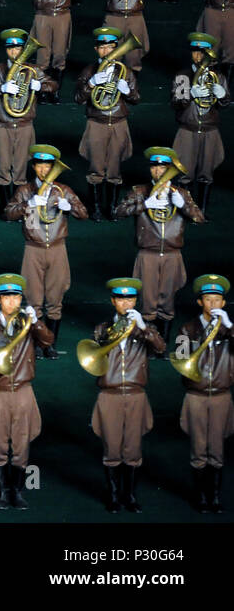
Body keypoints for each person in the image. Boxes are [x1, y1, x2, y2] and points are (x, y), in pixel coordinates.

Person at [0, 273, 54, 510]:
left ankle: (16, 491)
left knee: (21, 443)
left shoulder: (27, 324)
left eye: (16, 297)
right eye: (7, 297)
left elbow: (48, 341)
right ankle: (2, 492)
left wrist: (36, 322)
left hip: (23, 391)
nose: (12, 302)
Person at [86, 277, 165, 513]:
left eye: (130, 299)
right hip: (109, 394)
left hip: (135, 394)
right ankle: (113, 496)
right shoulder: (101, 328)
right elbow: (93, 359)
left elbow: (161, 348)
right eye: (121, 299)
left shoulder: (146, 329)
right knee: (111, 447)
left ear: (135, 301)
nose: (126, 304)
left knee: (132, 448)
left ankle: (129, 495)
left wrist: (142, 328)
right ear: (113, 301)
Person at [2, 145, 87, 359]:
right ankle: (37, 343)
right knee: (33, 298)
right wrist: (28, 205)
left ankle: (50, 344)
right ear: (34, 167)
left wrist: (70, 207)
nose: (44, 170)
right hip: (33, 249)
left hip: (57, 249)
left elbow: (83, 214)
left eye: (48, 166)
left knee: (55, 298)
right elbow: (8, 213)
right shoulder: (25, 190)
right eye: (40, 166)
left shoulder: (63, 190)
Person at [112, 147, 204, 344]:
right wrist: (145, 204)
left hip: (173, 254)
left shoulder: (180, 193)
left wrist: (183, 206)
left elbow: (199, 218)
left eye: (164, 168)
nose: (159, 171)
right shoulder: (140, 191)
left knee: (168, 299)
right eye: (155, 167)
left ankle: (163, 342)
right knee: (148, 298)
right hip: (148, 253)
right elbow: (119, 212)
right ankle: (149, 341)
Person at [176, 274, 234, 513]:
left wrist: (229, 327)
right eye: (208, 300)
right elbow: (180, 359)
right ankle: (201, 497)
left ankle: (216, 497)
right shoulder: (187, 328)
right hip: (196, 396)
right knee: (199, 448)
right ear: (200, 302)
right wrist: (201, 338)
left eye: (217, 300)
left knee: (217, 450)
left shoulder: (230, 329)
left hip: (221, 395)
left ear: (223, 304)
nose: (213, 304)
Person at [75, 26, 140, 218]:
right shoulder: (89, 70)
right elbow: (78, 98)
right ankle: (94, 207)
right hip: (97, 122)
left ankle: (111, 207)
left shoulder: (124, 71)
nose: (107, 51)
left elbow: (136, 98)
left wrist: (127, 90)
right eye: (102, 48)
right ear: (96, 49)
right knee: (96, 166)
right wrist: (91, 84)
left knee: (114, 167)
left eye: (111, 47)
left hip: (119, 123)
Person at [0, 28, 45, 199]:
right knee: (3, 167)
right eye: (10, 48)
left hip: (24, 125)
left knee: (20, 167)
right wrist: (1, 88)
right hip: (3, 125)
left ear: (24, 49)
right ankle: (5, 205)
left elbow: (52, 84)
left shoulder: (33, 70)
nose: (14, 52)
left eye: (18, 48)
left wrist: (41, 86)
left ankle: (17, 204)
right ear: (6, 50)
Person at [173, 33, 229, 213]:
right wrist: (190, 94)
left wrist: (222, 95)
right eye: (195, 52)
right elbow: (175, 102)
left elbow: (224, 104)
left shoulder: (217, 76)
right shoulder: (183, 75)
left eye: (203, 52)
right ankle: (187, 209)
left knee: (207, 171)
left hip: (209, 129)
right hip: (187, 129)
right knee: (184, 171)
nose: (199, 56)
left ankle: (202, 210)